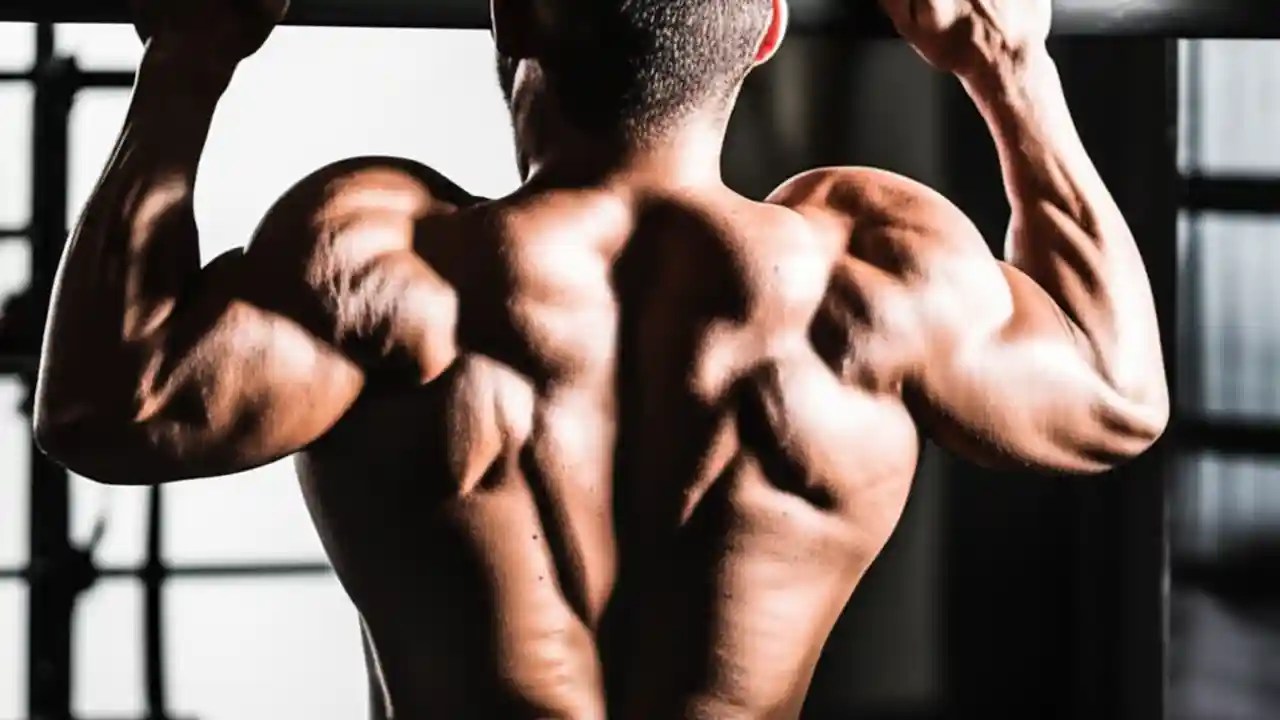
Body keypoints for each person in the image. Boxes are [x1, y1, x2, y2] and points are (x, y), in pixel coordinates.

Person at [34, 0, 1170, 717]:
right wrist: (1008, 66)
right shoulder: (864, 281)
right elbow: (1115, 399)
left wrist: (187, 62)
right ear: (768, 27)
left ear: (511, 18)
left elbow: (100, 406)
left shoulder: (386, 265)